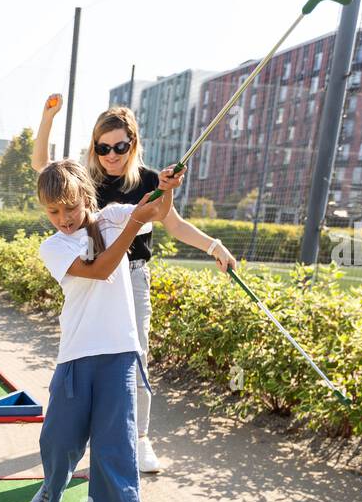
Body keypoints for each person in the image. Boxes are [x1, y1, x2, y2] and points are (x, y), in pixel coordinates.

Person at [33, 97, 237, 473]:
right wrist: (47, 118)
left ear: (133, 143)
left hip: (132, 277)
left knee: (134, 358)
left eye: (120, 146)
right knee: (91, 362)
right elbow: (45, 169)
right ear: (95, 147)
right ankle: (89, 441)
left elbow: (167, 220)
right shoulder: (85, 180)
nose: (111, 154)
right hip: (93, 279)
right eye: (103, 147)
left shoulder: (147, 179)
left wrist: (213, 244)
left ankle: (139, 439)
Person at [31, 159, 168, 502]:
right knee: (57, 441)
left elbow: (154, 210)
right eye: (53, 212)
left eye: (70, 208)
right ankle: (51, 486)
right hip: (75, 354)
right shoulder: (54, 246)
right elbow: (100, 269)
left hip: (119, 353)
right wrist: (130, 226)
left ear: (85, 197)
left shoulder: (113, 217)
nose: (63, 219)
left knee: (114, 448)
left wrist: (167, 186)